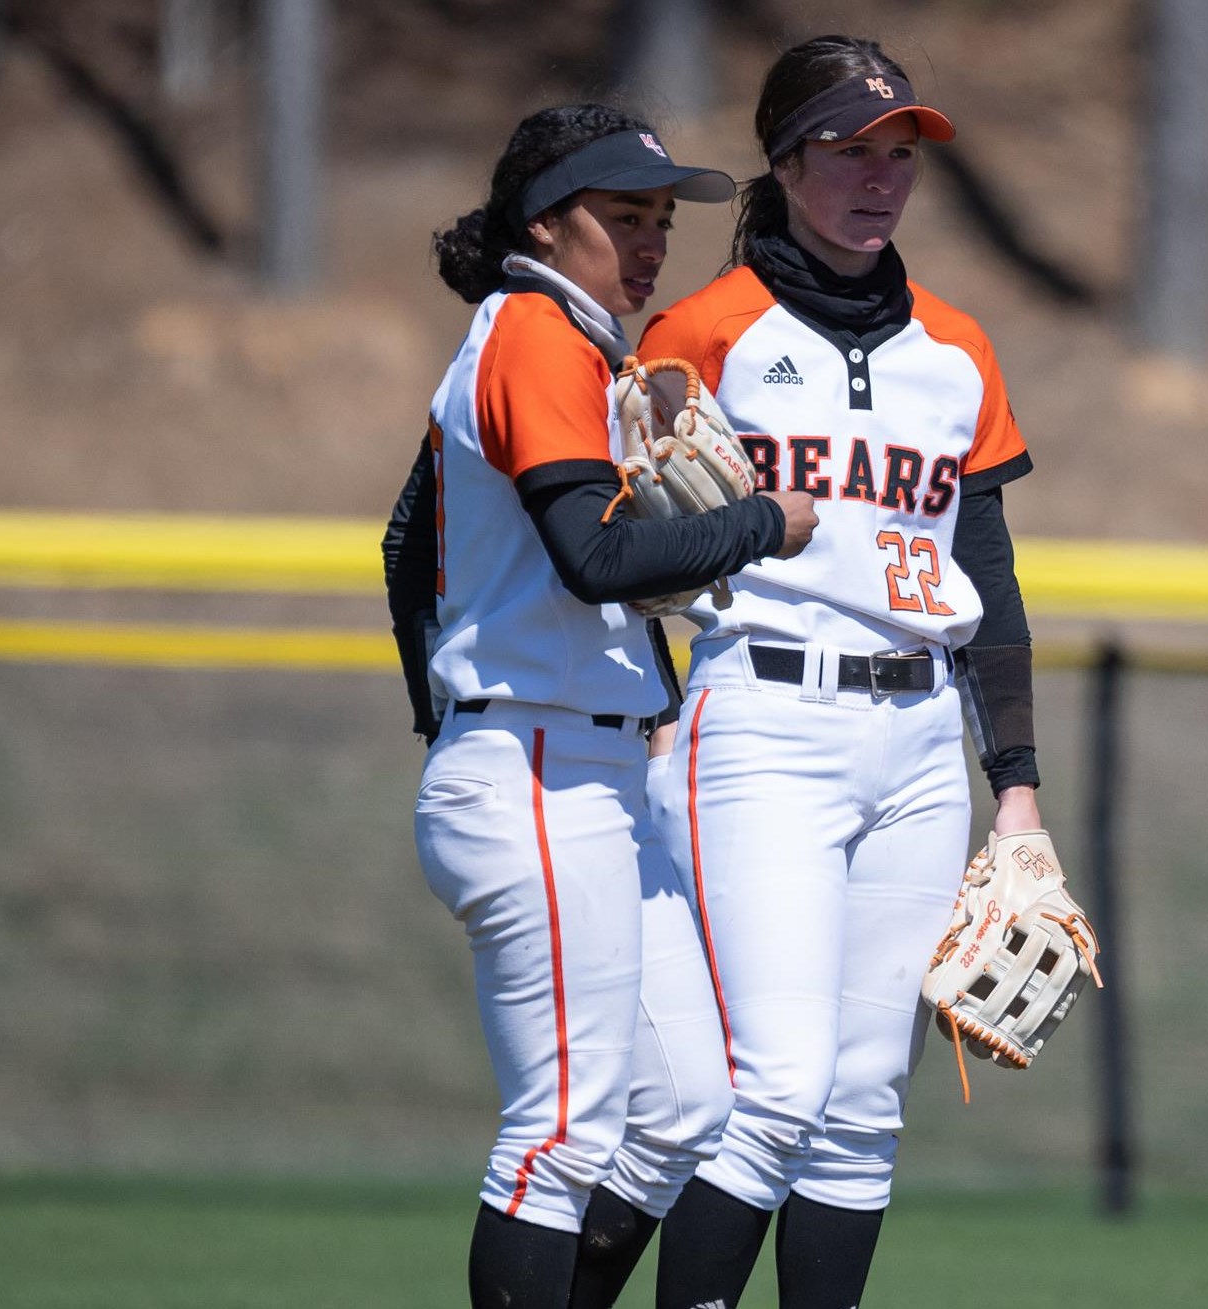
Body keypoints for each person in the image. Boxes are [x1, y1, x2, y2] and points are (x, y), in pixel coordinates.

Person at [632, 35, 1045, 1309]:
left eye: (897, 154)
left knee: (864, 1108)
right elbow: (620, 544)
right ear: (785, 161)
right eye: (847, 151)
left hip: (919, 740)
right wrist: (658, 703)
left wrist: (1016, 787)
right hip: (761, 716)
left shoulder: (956, 348)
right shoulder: (703, 330)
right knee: (778, 1090)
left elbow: (986, 571)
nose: (878, 178)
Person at [391, 101, 816, 1309]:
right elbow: (590, 557)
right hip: (533, 765)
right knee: (559, 1134)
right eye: (622, 217)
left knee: (683, 1104)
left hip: (579, 767)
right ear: (545, 224)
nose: (650, 244)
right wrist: (753, 524)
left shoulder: (573, 347)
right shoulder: (531, 329)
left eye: (661, 221)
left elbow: (422, 543)